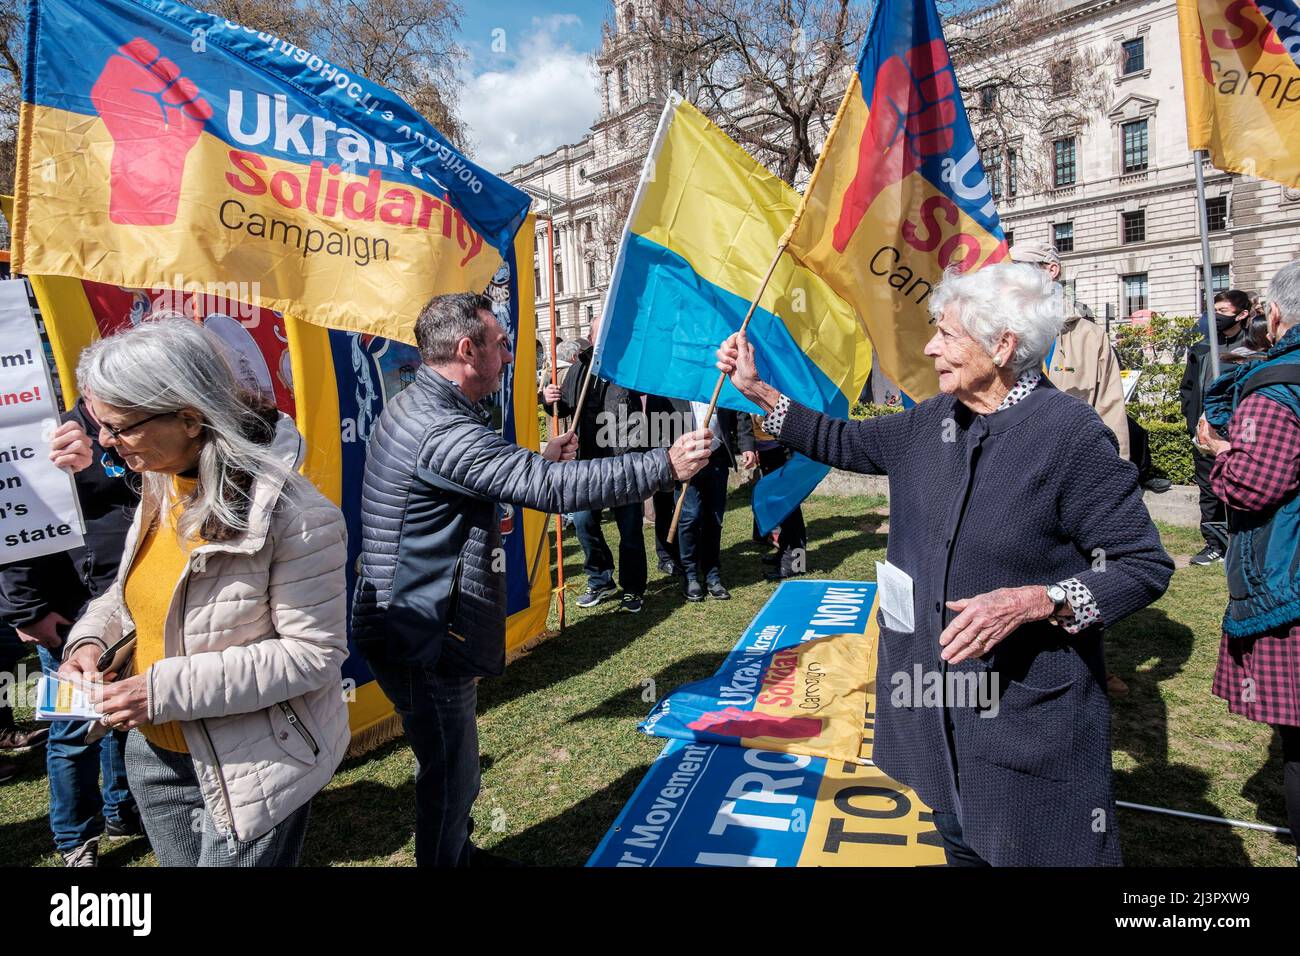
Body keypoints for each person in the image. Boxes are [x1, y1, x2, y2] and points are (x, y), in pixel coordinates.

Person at [716, 263, 1173, 866]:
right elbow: (844, 441)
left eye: (948, 334)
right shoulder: (934, 420)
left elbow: (1141, 564)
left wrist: (1040, 600)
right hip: (931, 709)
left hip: (1022, 717)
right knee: (960, 843)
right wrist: (757, 390)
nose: (930, 346)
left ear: (1002, 345)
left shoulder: (1069, 436)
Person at [351, 292, 713, 866]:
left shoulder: (421, 404)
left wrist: (541, 456)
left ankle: (457, 853)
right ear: (467, 350)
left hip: (414, 624)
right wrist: (663, 466)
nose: (510, 356)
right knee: (451, 773)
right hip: (422, 636)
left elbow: (486, 477)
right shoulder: (440, 426)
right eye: (500, 345)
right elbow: (550, 489)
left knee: (449, 767)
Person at [58, 317, 350, 867]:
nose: (104, 442)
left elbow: (314, 655)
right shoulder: (160, 482)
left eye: (119, 427)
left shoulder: (298, 517)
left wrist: (157, 691)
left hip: (255, 769)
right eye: (101, 424)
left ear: (190, 419)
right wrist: (89, 644)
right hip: (156, 756)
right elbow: (130, 595)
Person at [0, 395, 141, 866]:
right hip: (69, 614)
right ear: (88, 389)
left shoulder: (135, 428)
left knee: (121, 718)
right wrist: (26, 611)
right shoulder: (47, 438)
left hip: (125, 604)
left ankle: (121, 809)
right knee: (72, 729)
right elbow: (13, 527)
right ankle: (74, 838)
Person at [1197, 260, 1300, 864]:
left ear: (1278, 314)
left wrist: (1216, 450)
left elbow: (1255, 486)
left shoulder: (1274, 388)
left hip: (1288, 586)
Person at [544, 327, 649, 612]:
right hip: (588, 462)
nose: (605, 337)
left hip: (625, 460)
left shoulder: (629, 365)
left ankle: (633, 588)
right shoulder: (580, 367)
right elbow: (564, 407)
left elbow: (650, 393)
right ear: (591, 337)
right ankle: (601, 579)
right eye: (600, 332)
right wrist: (549, 398)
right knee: (582, 521)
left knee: (629, 528)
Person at [1009, 242, 1130, 459]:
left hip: (1072, 464)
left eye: (1020, 268)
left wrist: (1115, 475)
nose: (1011, 279)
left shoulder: (1090, 336)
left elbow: (1111, 413)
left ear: (1051, 270)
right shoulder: (996, 331)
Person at [644, 395, 754, 601]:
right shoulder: (673, 378)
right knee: (690, 516)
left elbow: (739, 409)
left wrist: (747, 445)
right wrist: (665, 455)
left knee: (714, 518)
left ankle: (713, 576)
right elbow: (654, 419)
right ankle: (690, 575)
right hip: (685, 460)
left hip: (716, 457)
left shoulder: (719, 377)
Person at [1180, 289, 1251, 565]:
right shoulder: (1202, 349)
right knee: (1209, 490)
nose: (1216, 317)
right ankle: (1214, 544)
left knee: (1242, 487)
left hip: (1242, 431)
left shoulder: (1253, 349)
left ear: (1242, 314)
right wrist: (1192, 419)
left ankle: (1242, 542)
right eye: (1214, 311)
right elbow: (1188, 388)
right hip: (1205, 431)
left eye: (1223, 311)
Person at [751, 413, 807, 581]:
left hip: (783, 449)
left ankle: (796, 564)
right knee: (779, 508)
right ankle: (784, 551)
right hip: (767, 450)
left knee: (789, 508)